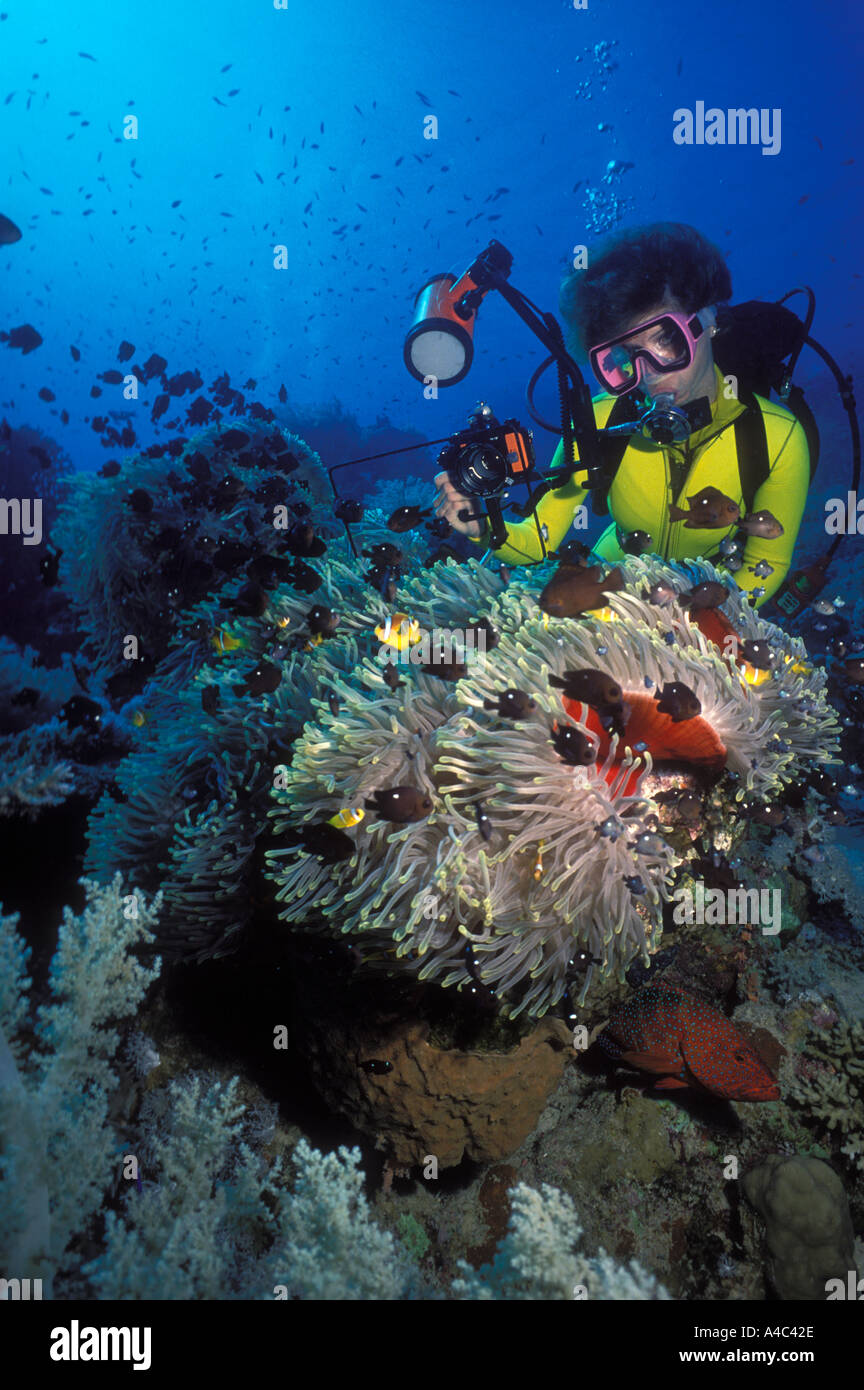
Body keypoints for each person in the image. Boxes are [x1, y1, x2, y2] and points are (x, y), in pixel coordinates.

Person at [433, 222, 810, 608]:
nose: (649, 372)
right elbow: (538, 539)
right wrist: (482, 526)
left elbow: (768, 563)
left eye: (666, 339)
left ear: (708, 320)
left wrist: (696, 619)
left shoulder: (777, 436)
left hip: (710, 590)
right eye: (626, 357)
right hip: (612, 578)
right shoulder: (596, 421)